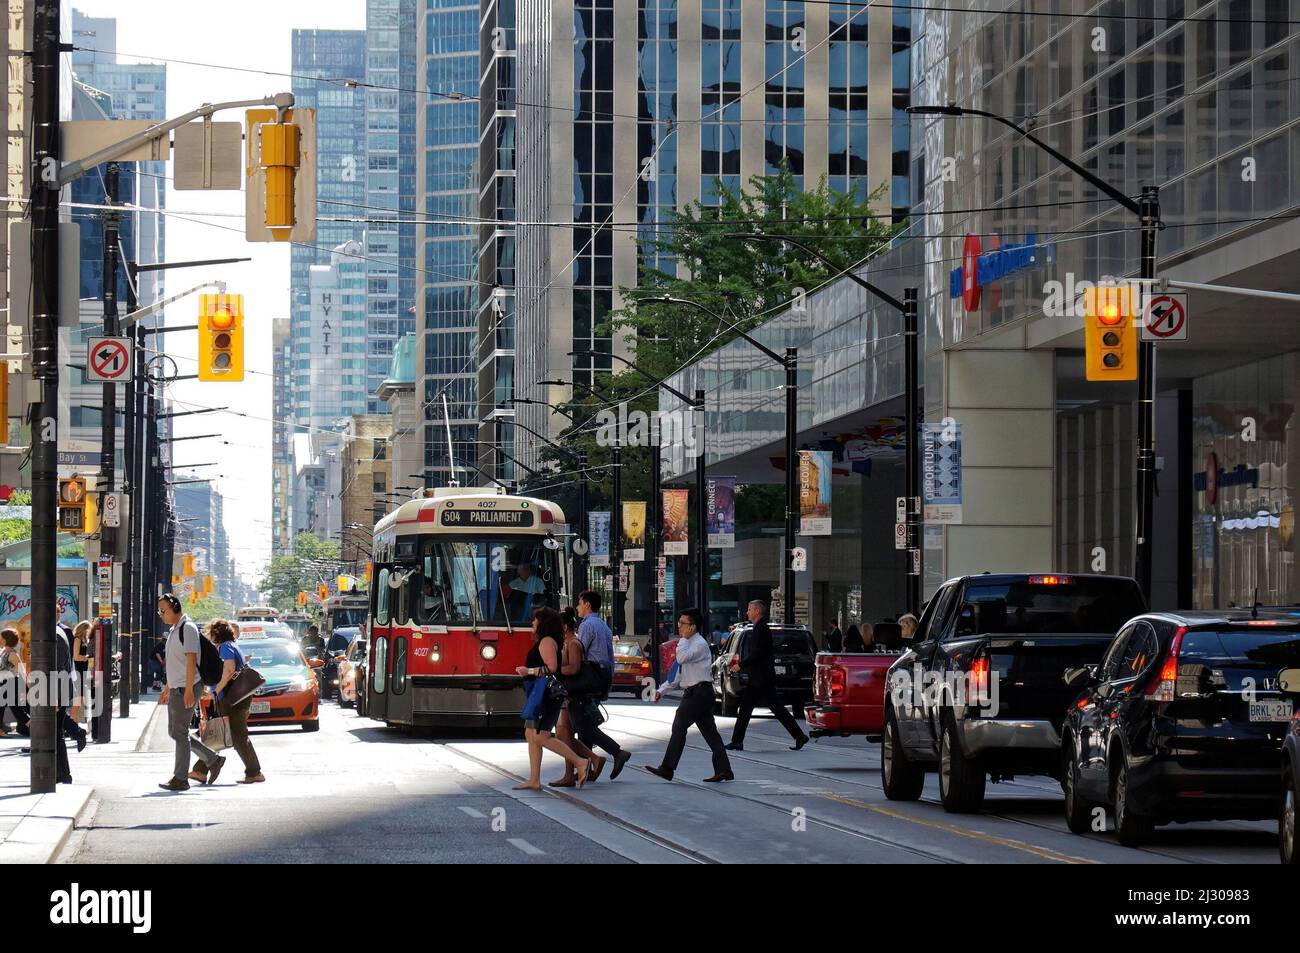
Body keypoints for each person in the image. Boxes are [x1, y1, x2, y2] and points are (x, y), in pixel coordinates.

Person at [645, 608, 734, 783]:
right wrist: (662, 691)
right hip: (698, 693)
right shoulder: (689, 642)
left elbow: (682, 658)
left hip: (699, 693)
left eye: (682, 623)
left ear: (692, 627)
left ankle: (667, 768)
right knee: (710, 733)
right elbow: (677, 673)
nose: (679, 626)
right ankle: (724, 770)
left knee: (679, 725)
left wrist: (681, 642)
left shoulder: (698, 644)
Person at [513, 607, 592, 791]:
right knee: (531, 735)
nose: (532, 623)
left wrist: (528, 671)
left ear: (543, 623)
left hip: (546, 695)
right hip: (538, 693)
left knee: (541, 736)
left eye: (535, 620)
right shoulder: (546, 640)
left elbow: (552, 668)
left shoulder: (547, 641)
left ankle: (580, 762)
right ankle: (534, 779)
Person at [157, 594, 225, 791]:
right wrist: (168, 687)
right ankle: (212, 760)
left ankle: (180, 778)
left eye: (164, 611)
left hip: (187, 686)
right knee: (176, 732)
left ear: (175, 608)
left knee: (179, 733)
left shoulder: (187, 629)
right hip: (178, 686)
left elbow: (190, 660)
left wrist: (188, 690)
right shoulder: (174, 630)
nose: (161, 615)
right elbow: (175, 664)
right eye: (159, 611)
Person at [726, 600, 809, 752]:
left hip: (761, 678)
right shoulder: (759, 627)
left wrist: (741, 664)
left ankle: (799, 736)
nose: (747, 612)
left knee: (776, 708)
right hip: (758, 678)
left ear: (757, 611)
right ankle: (737, 741)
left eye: (750, 609)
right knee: (747, 709)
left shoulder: (761, 628)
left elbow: (758, 653)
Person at [190, 619, 263, 785]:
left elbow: (229, 670)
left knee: (236, 735)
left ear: (217, 634)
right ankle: (200, 769)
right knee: (220, 731)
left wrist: (216, 690)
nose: (211, 636)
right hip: (235, 698)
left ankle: (254, 772)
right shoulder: (232, 645)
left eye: (212, 633)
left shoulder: (225, 647)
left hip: (231, 699)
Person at [574, 589, 632, 778]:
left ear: (587, 605)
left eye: (579, 603)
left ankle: (616, 752)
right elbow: (610, 658)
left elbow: (579, 651)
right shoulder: (603, 625)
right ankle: (588, 767)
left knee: (583, 724)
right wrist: (608, 682)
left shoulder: (587, 625)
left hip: (591, 675)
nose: (577, 607)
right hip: (602, 674)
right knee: (585, 721)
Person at [548, 607, 599, 787]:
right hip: (565, 694)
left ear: (564, 627)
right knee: (564, 736)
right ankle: (574, 771)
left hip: (570, 695)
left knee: (565, 736)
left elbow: (575, 668)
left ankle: (585, 763)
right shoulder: (566, 643)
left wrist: (555, 670)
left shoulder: (573, 644)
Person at [0, 628, 26, 736]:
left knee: (16, 709)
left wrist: (28, 687)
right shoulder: (3, 651)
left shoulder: (12, 654)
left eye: (1, 638)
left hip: (10, 684)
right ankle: (32, 725)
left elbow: (22, 671)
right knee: (16, 710)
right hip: (4, 683)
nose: (0, 640)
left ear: (6, 640)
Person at [68, 620, 91, 728]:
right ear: (83, 629)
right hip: (78, 671)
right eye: (88, 629)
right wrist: (87, 658)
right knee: (78, 700)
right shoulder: (77, 639)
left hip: (83, 671)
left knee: (80, 700)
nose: (89, 632)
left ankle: (73, 724)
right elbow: (76, 657)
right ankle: (72, 725)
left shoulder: (85, 639)